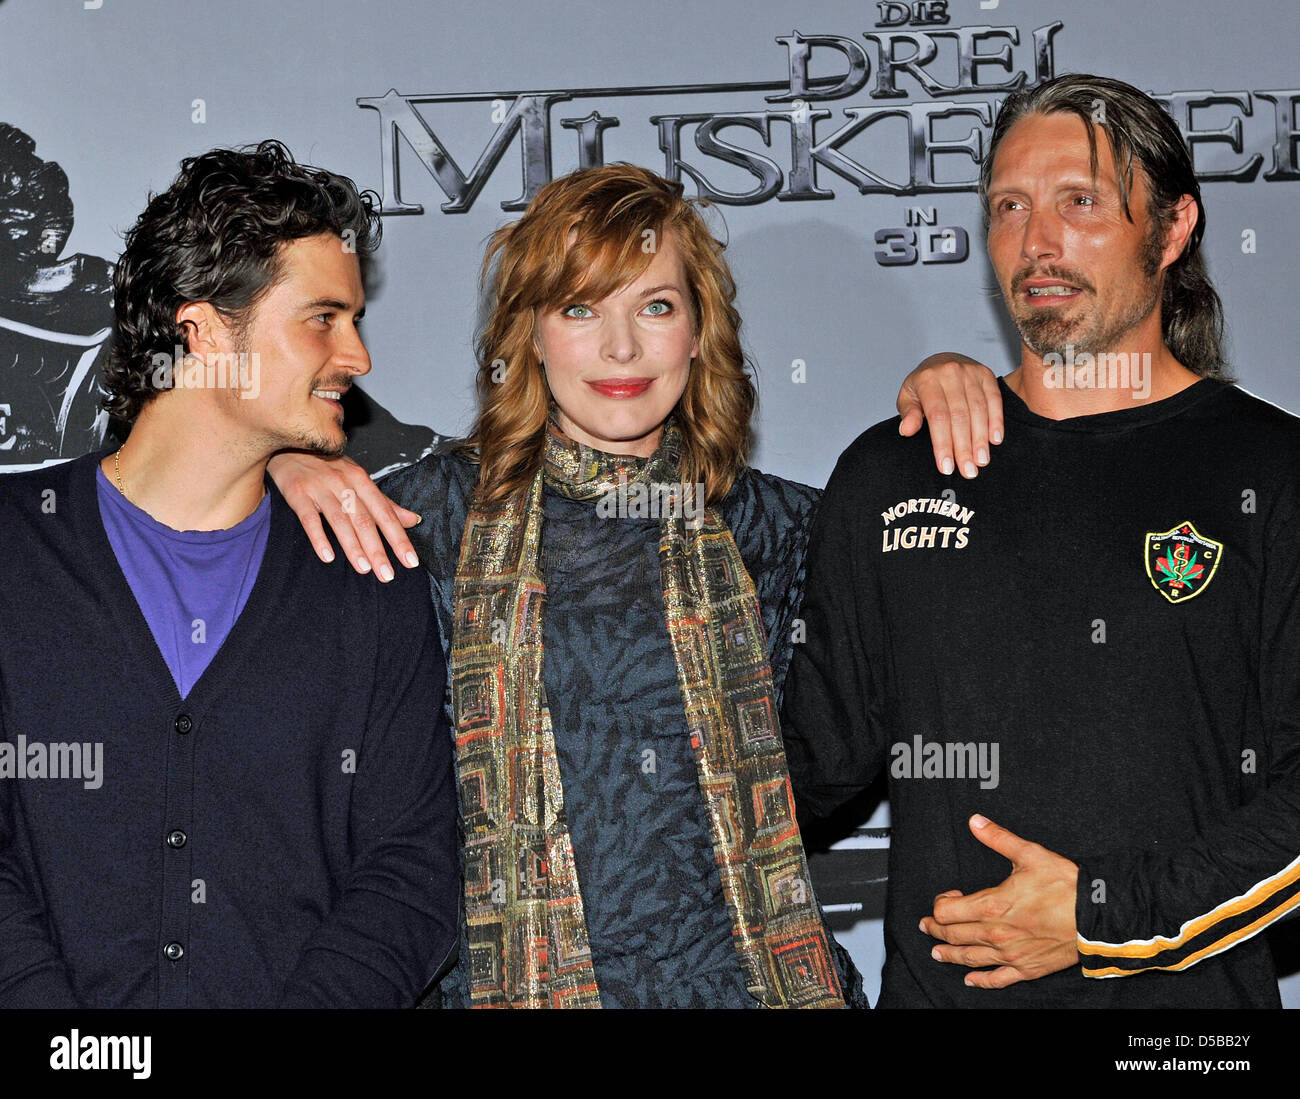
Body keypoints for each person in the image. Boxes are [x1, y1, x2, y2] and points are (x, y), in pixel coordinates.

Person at [782, 72, 1300, 1007]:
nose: (1038, 242)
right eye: (1010, 207)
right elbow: (793, 778)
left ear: (1174, 228)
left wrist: (1102, 916)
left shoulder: (1276, 472)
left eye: (1082, 202)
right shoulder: (893, 473)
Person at [0, 142, 459, 1008]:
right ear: (204, 331)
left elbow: (412, 862)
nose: (356, 356)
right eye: (322, 318)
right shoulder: (18, 552)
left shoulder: (368, 570)